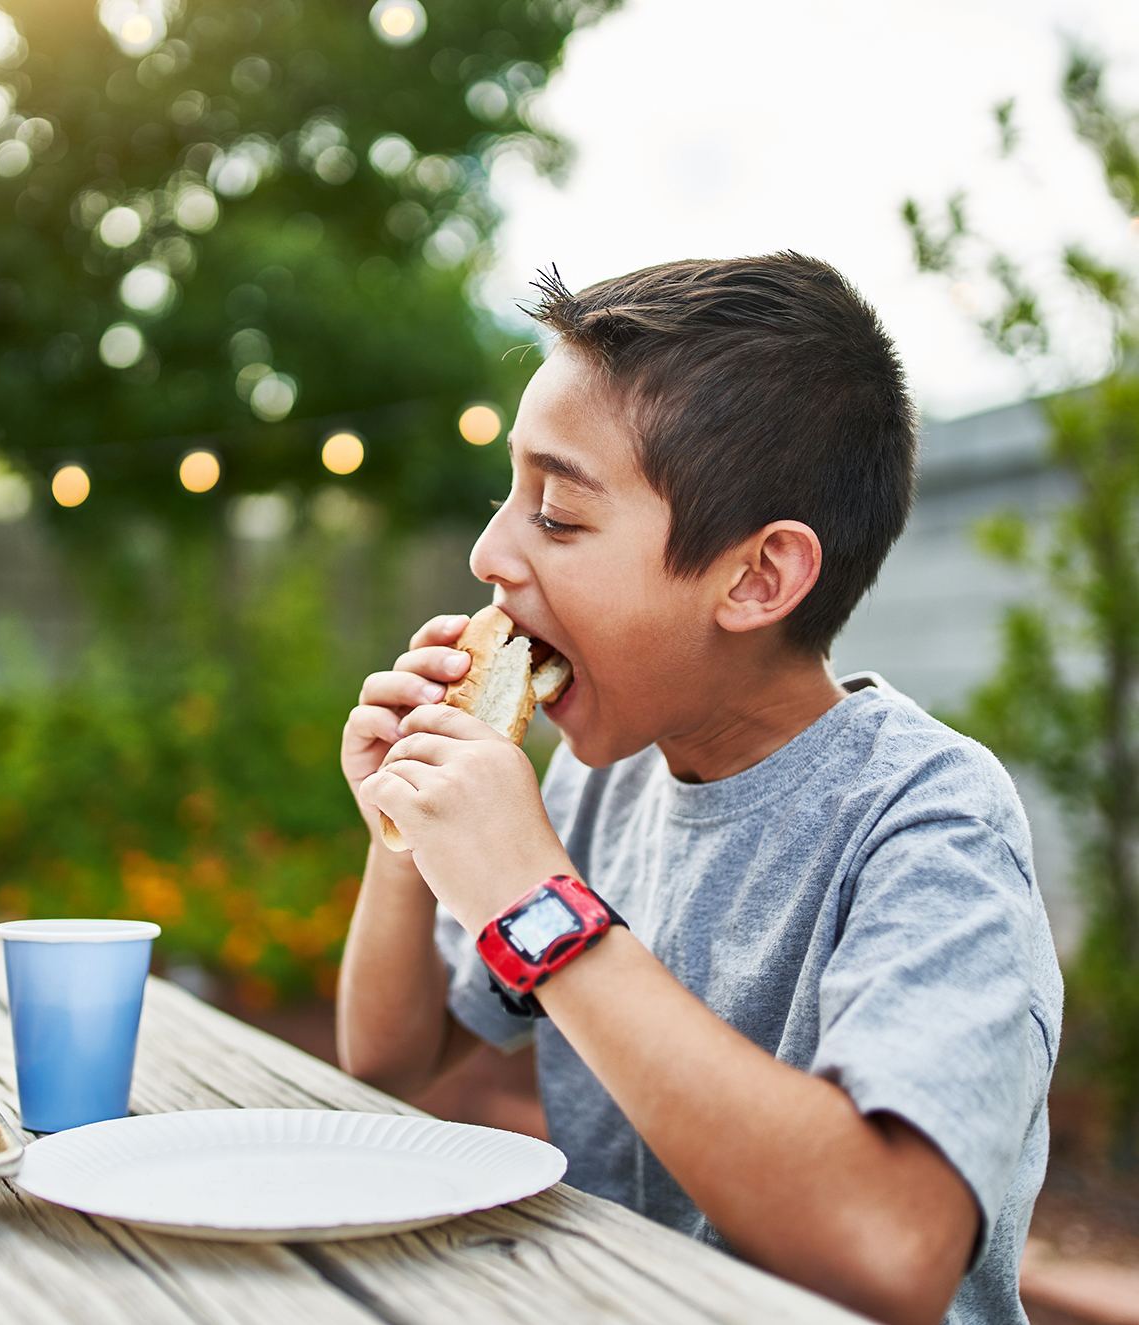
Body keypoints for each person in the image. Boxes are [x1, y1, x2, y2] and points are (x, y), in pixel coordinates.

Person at [335, 254, 1062, 1325]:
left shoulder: (927, 818)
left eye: (558, 514)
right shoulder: (595, 786)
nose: (490, 552)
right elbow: (387, 1053)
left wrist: (539, 903)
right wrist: (409, 816)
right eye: (507, 497)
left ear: (755, 578)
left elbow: (891, 1246)